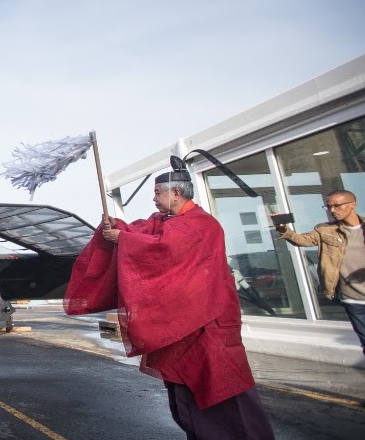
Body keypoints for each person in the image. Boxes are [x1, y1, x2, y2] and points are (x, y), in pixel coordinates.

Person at [64, 166, 274, 439]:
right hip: (182, 324)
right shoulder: (164, 220)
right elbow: (143, 232)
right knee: (185, 390)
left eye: (157, 193)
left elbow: (162, 248)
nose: (153, 198)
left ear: (175, 193)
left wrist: (124, 239)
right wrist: (117, 227)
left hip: (207, 323)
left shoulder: (201, 224)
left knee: (221, 386)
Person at [275, 190, 365, 357]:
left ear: (353, 204)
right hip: (353, 299)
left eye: (337, 206)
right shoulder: (325, 230)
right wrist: (283, 229)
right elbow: (302, 240)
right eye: (328, 206)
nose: (332, 210)